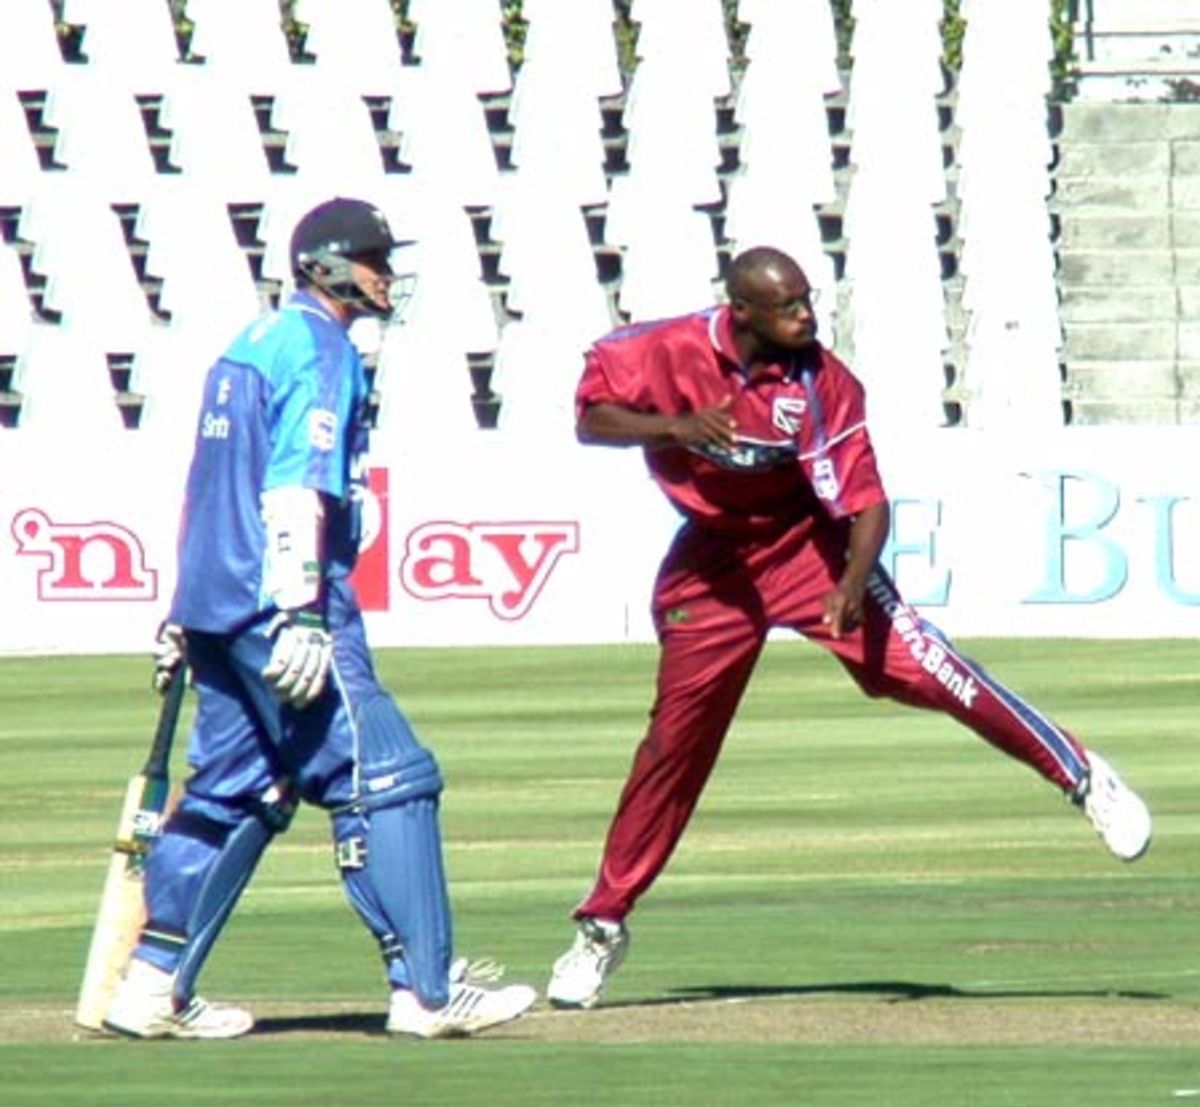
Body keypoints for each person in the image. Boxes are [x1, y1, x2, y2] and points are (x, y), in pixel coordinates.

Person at [545, 245, 1152, 1010]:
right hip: (712, 563)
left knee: (933, 672)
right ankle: (601, 924)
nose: (808, 314)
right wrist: (676, 425)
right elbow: (591, 419)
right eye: (791, 305)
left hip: (807, 547)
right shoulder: (661, 349)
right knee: (676, 744)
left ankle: (1082, 774)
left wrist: (852, 584)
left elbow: (866, 503)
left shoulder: (824, 383)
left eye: (808, 299)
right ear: (743, 312)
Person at [103, 196, 536, 1040]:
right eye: (375, 258)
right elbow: (294, 485)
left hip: (218, 602)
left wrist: (182, 615)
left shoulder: (245, 344)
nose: (386, 274)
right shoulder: (320, 347)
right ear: (326, 265)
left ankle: (150, 989)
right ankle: (428, 990)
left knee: (231, 793)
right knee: (390, 779)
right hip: (287, 602)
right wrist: (301, 611)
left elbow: (210, 485)